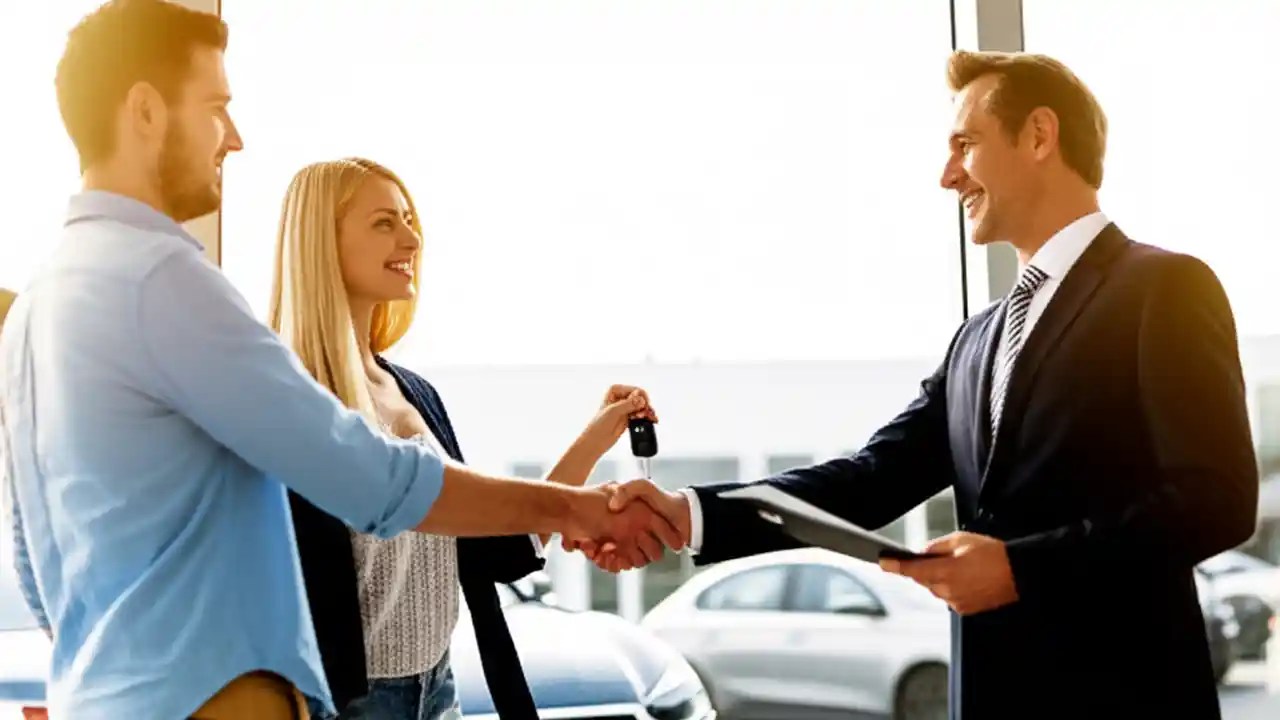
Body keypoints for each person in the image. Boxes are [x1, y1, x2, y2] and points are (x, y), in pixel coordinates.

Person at [0, 2, 678, 719]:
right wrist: (580, 508)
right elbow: (375, 481)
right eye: (216, 108)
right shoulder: (163, 282)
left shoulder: (39, 307)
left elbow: (34, 566)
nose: (234, 137)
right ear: (144, 111)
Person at [590, 49, 1258, 719]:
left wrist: (1021, 569)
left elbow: (1216, 499)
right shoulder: (977, 339)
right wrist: (689, 513)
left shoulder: (1164, 288)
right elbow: (871, 478)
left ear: (1038, 135)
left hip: (1125, 698)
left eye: (964, 145)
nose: (947, 176)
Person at [270, 157, 662, 720]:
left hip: (439, 689)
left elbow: (498, 547)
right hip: (350, 706)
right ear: (320, 242)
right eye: (384, 222)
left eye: (408, 219)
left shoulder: (415, 393)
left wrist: (597, 437)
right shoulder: (289, 402)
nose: (411, 237)